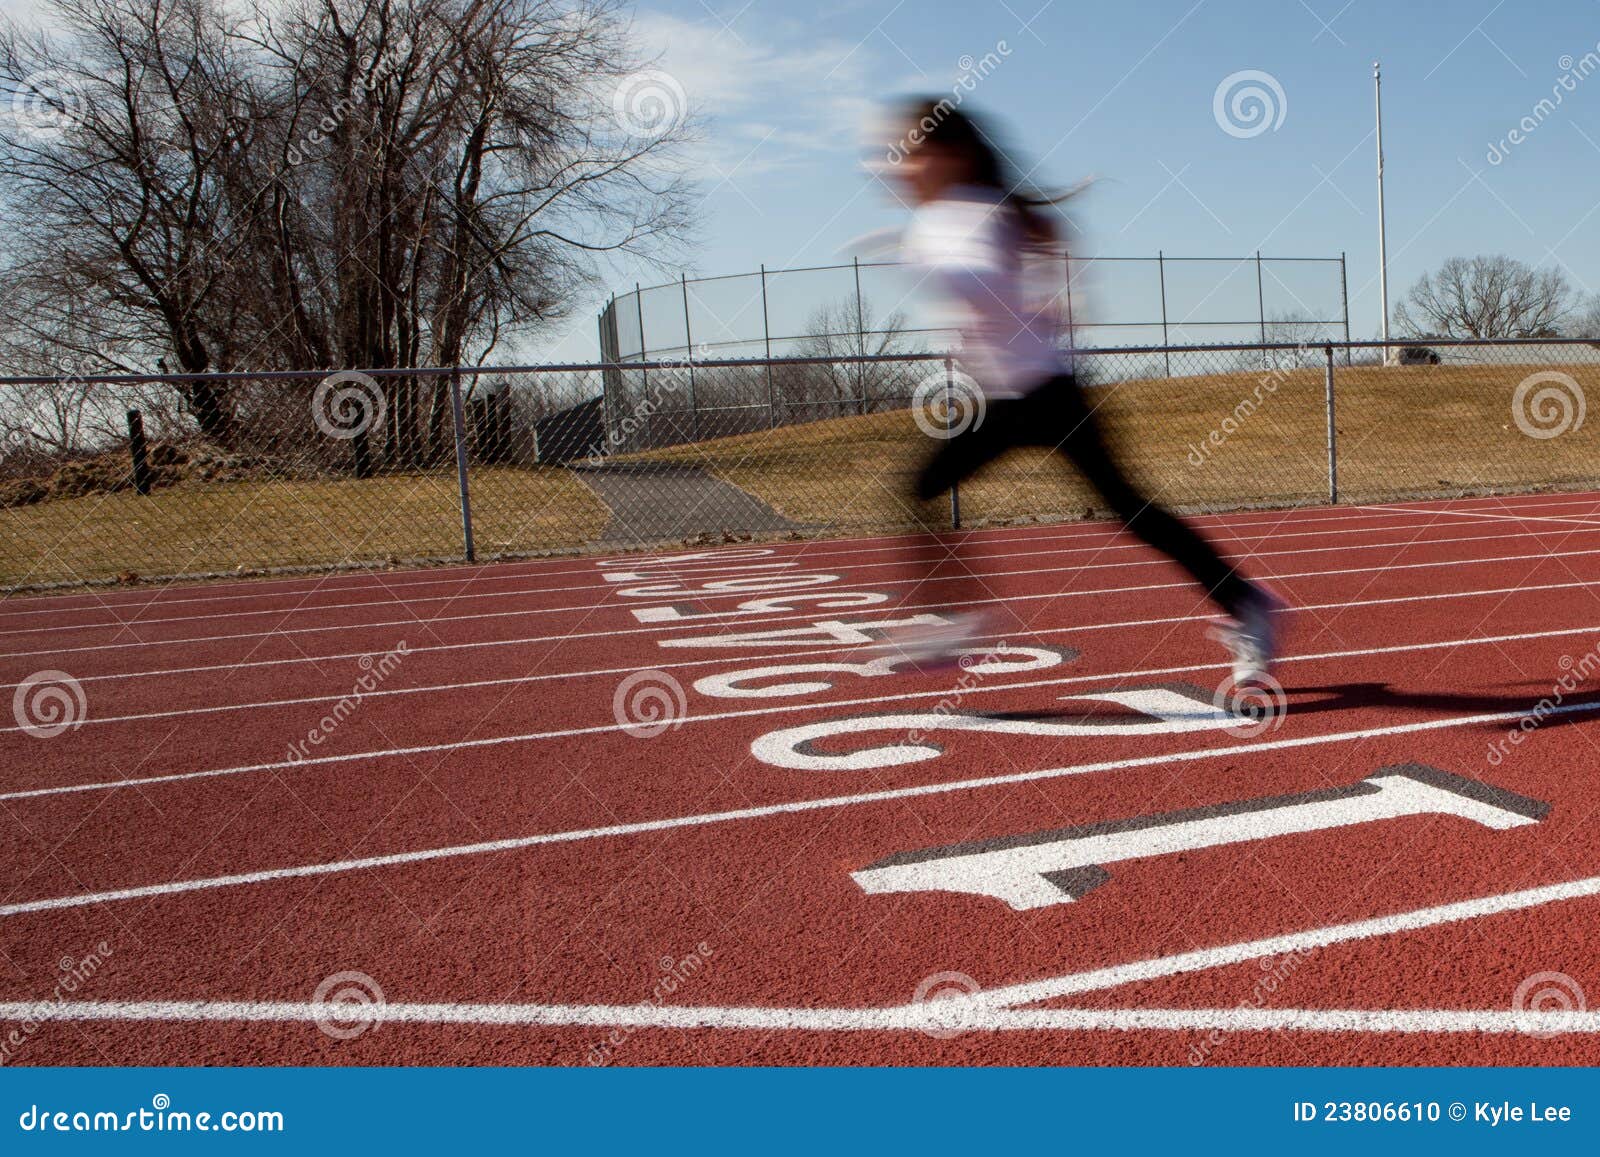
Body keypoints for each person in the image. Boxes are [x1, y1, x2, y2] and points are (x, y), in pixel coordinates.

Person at [873, 98, 1282, 683]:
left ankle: (1248, 603)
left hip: (1048, 395)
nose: (895, 166)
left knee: (1133, 514)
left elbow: (987, 280)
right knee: (919, 488)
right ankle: (960, 617)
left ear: (951, 153)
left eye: (908, 152)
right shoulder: (935, 220)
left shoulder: (981, 209)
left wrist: (939, 271)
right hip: (1000, 398)